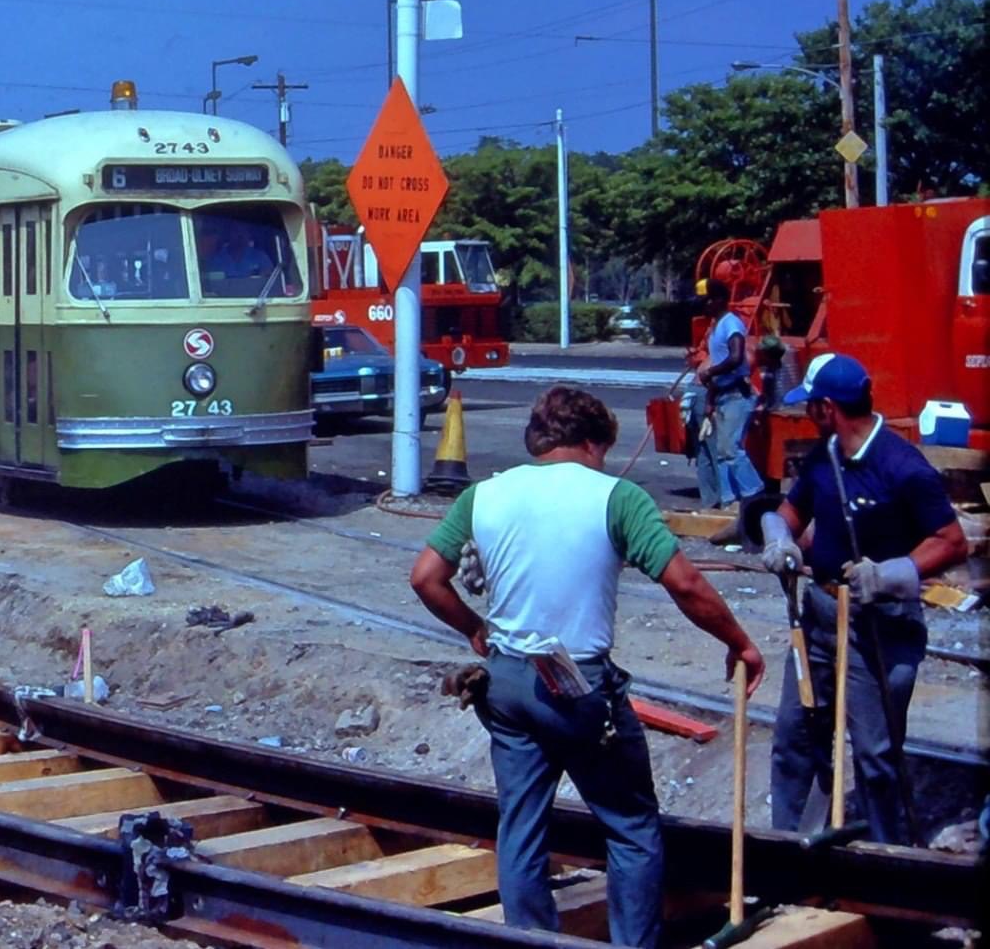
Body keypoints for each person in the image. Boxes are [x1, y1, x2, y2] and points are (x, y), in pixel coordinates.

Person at [409, 386, 762, 947]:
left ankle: (530, 940)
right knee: (631, 828)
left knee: (521, 827)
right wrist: (740, 641)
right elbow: (685, 584)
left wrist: (476, 628)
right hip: (577, 684)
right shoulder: (616, 498)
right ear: (594, 442)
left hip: (507, 680)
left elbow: (426, 577)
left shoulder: (485, 496)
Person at [758, 353, 966, 845]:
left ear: (828, 407)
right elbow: (791, 511)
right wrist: (778, 537)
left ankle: (882, 853)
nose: (807, 413)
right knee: (795, 736)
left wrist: (892, 574)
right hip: (821, 619)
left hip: (878, 625)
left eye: (810, 405)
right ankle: (787, 848)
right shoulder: (824, 457)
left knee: (874, 753)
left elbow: (951, 539)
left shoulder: (902, 467)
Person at [694, 279, 767, 509]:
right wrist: (710, 401)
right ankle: (729, 502)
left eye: (707, 301)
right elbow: (719, 365)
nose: (704, 306)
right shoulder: (716, 327)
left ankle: (756, 497)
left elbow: (736, 358)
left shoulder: (730, 324)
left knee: (731, 450)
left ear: (718, 300)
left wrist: (710, 372)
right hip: (723, 395)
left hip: (737, 395)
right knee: (722, 453)